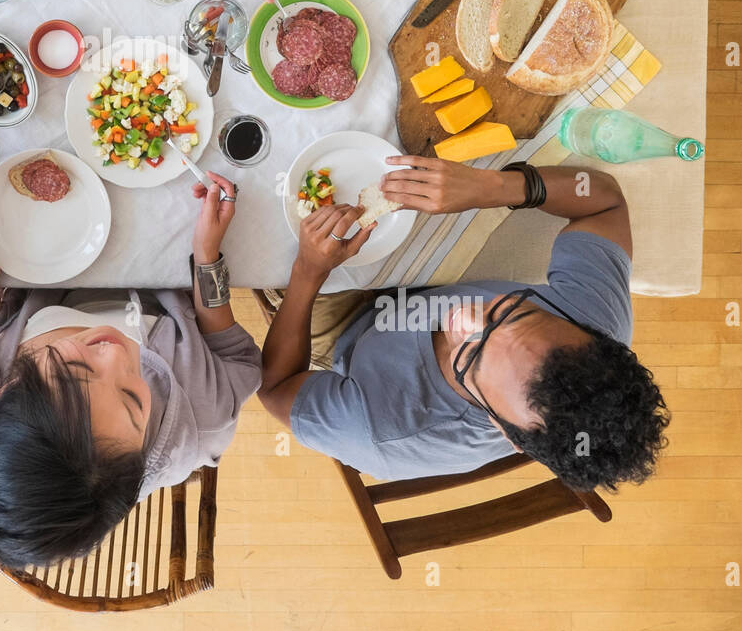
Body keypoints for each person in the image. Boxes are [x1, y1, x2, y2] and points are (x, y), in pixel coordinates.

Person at [258, 158, 669, 493]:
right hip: (423, 279)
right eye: (513, 312)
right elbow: (605, 202)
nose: (463, 316)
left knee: (267, 238)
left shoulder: (380, 433)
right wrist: (494, 188)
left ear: (504, 433)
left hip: (348, 332)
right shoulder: (595, 323)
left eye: (470, 356)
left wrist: (308, 271)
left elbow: (276, 389)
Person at [0, 173, 261, 568]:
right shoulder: (204, 421)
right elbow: (235, 355)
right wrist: (206, 258)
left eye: (75, 369)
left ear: (4, 388)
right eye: (133, 398)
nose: (115, 353)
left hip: (51, 243)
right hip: (168, 251)